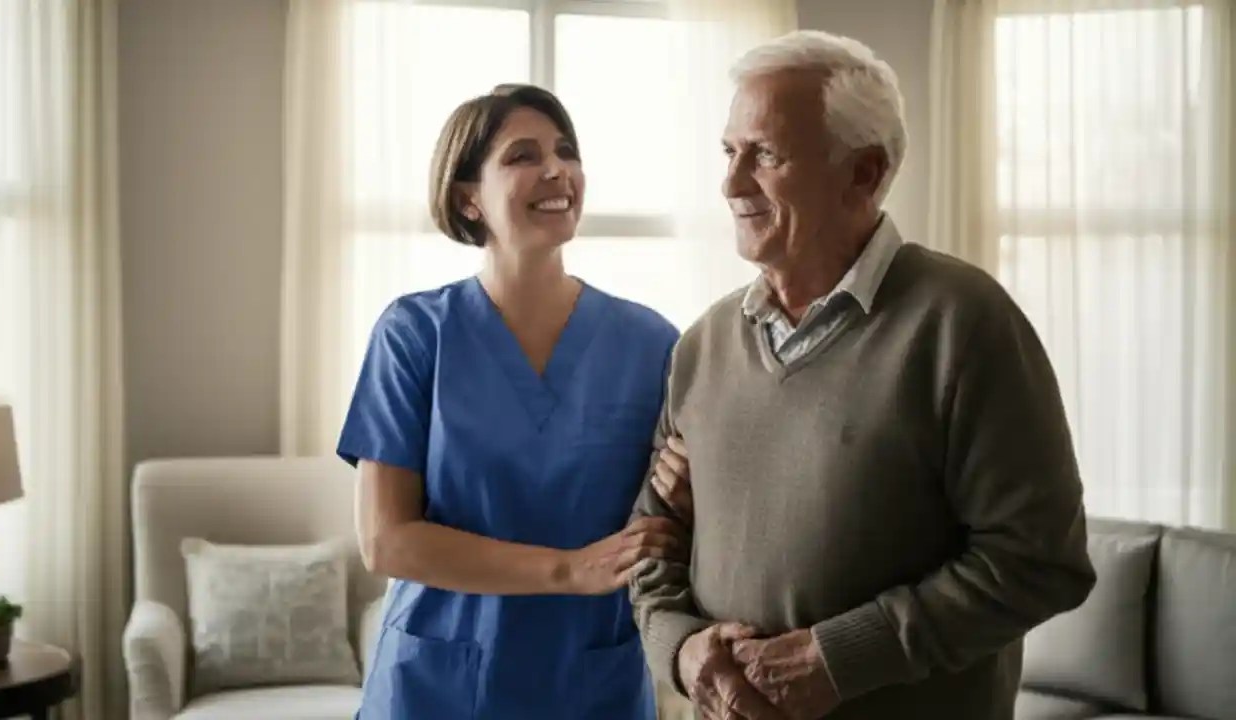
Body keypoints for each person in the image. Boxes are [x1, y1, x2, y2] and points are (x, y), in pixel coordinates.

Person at [631, 30, 1097, 720]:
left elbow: (1039, 563)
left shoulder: (964, 324)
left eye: (764, 154)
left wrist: (837, 659)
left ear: (865, 172)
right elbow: (652, 542)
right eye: (729, 152)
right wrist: (683, 647)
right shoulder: (702, 345)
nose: (730, 183)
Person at [338, 84, 688, 720]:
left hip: (591, 680)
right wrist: (566, 570)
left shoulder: (652, 344)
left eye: (566, 151)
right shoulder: (415, 334)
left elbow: (677, 519)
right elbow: (386, 542)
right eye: (522, 155)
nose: (556, 169)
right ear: (468, 196)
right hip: (436, 686)